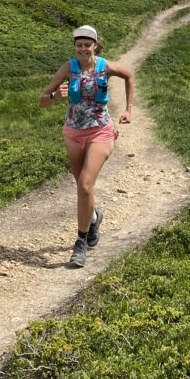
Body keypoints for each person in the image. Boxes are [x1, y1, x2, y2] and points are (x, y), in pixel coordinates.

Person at [40, 25, 134, 268]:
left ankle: (80, 244)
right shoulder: (68, 68)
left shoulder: (105, 66)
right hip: (73, 133)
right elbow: (43, 101)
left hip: (100, 130)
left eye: (87, 44)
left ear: (95, 45)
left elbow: (129, 75)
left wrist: (128, 109)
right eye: (78, 45)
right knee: (83, 186)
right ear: (75, 46)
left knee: (84, 184)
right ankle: (93, 217)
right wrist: (54, 97)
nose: (83, 49)